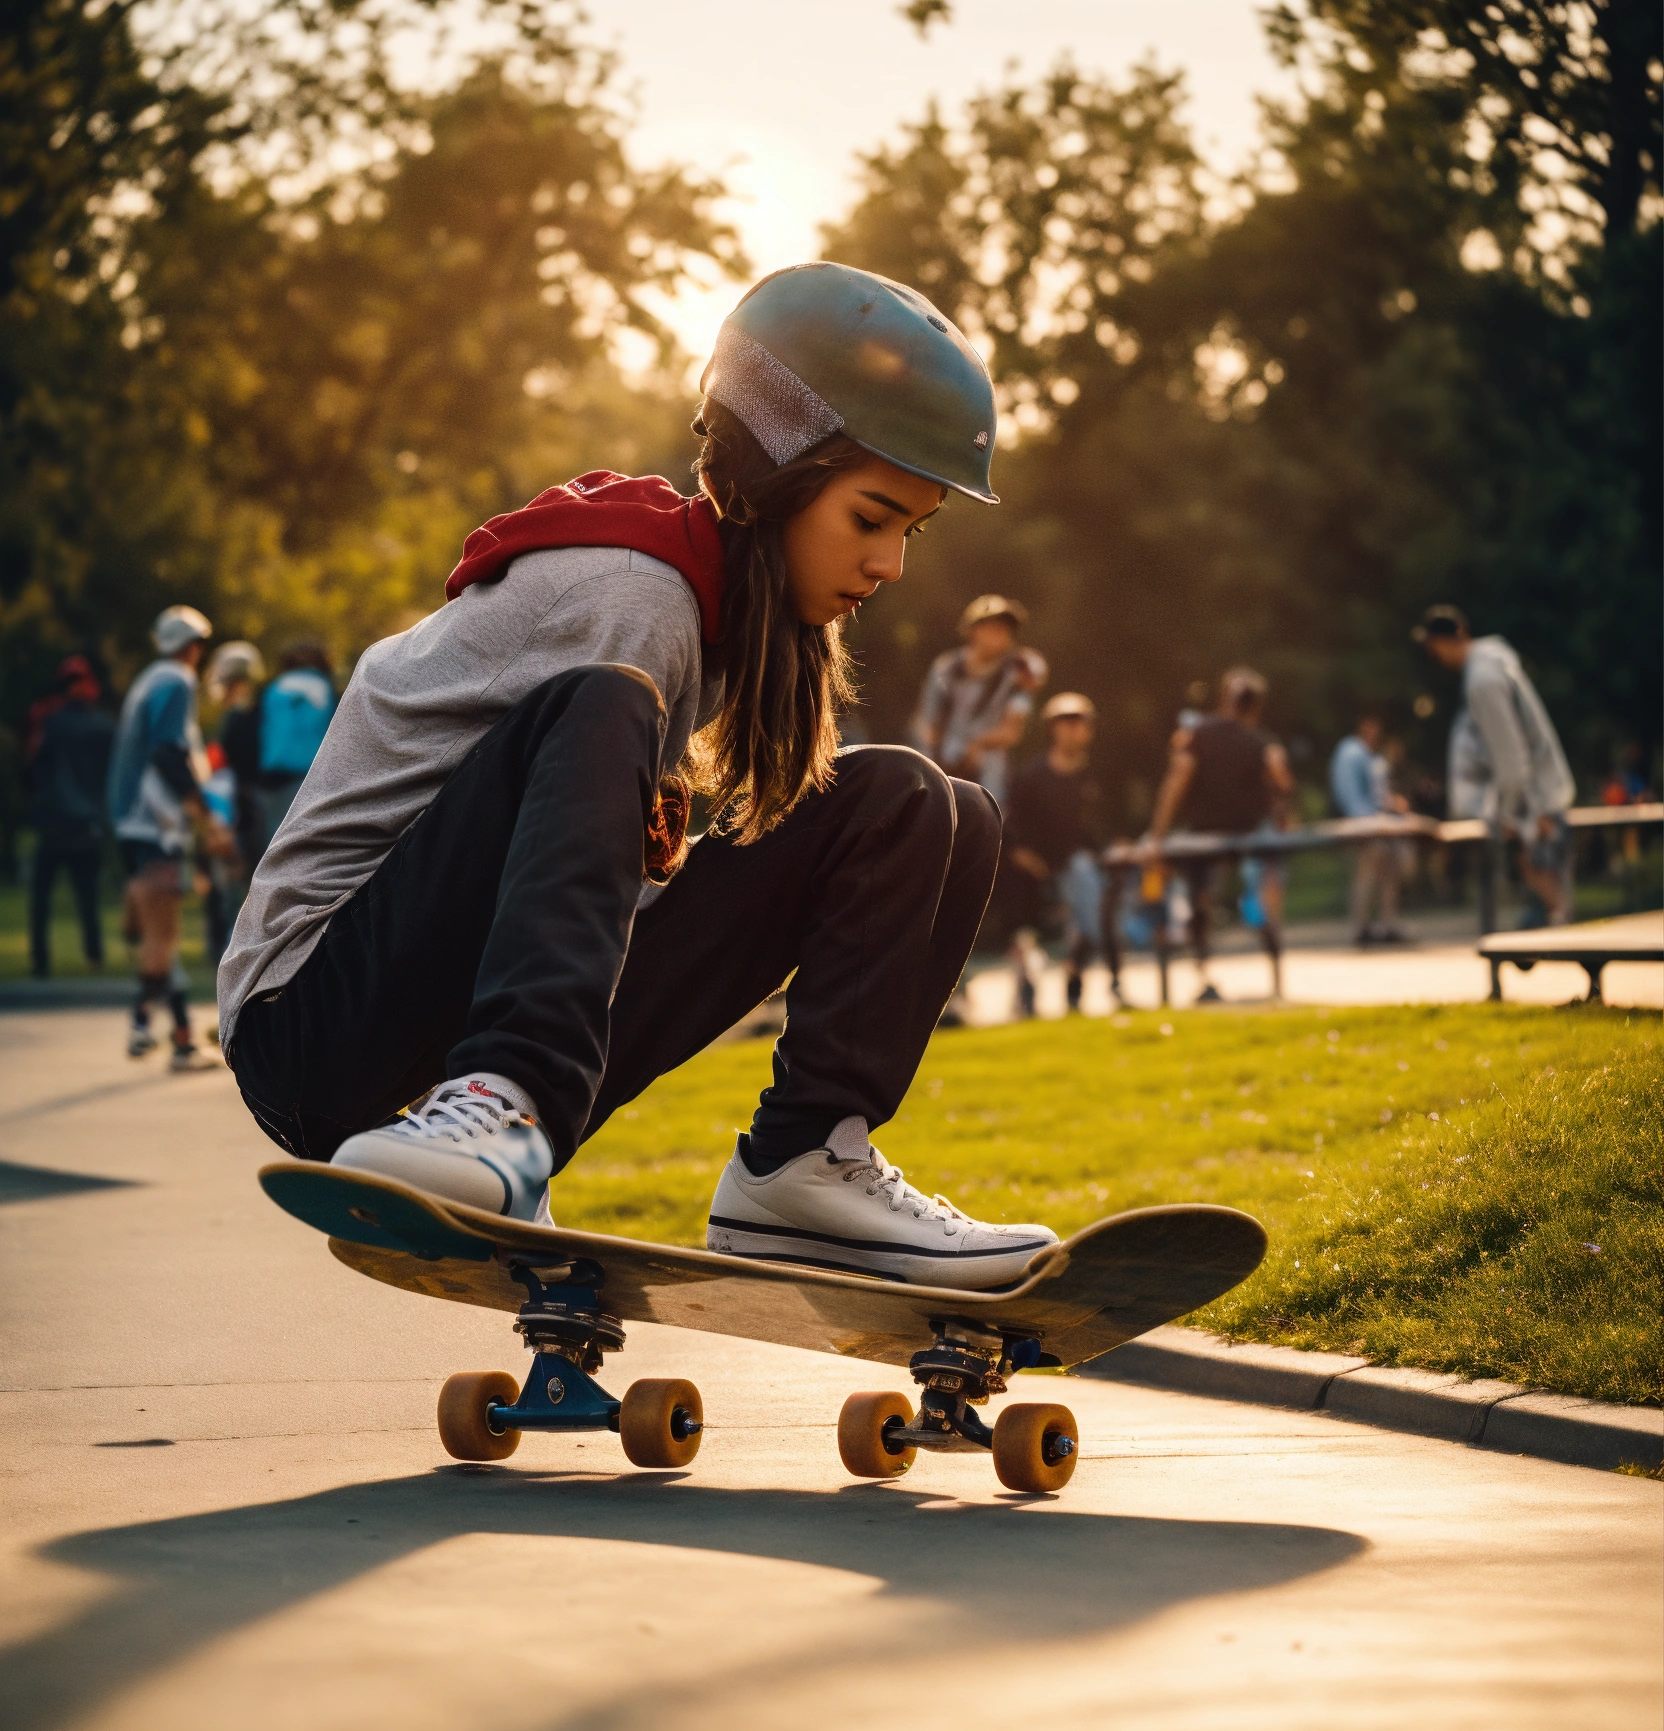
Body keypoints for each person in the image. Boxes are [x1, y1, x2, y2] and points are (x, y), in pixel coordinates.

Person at [217, 262, 1059, 1287]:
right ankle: (506, 1103)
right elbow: (545, 861)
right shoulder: (637, 595)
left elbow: (601, 887)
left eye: (909, 533)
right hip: (317, 1027)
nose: (888, 566)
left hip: (455, 1008)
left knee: (928, 808)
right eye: (870, 518)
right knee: (601, 701)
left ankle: (801, 1164)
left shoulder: (718, 621)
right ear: (779, 475)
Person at [108, 604, 233, 1066]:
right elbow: (167, 751)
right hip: (156, 820)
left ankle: (181, 1037)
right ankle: (141, 1021)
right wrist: (203, 814)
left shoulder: (147, 679)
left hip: (130, 820)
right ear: (193, 647)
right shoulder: (177, 681)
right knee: (162, 933)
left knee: (162, 931)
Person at [1413, 604, 1576, 928]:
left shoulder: (1482, 682)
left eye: (1434, 647)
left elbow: (1511, 758)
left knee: (1550, 908)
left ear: (1445, 641)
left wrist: (1509, 813)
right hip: (1544, 793)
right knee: (1553, 908)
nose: (1435, 656)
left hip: (1534, 804)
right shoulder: (1495, 659)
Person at [1143, 666, 1296, 1002]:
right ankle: (1275, 973)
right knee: (1259, 896)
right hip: (1250, 833)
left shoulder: (1197, 734)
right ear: (1255, 706)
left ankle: (1204, 975)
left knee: (1200, 900)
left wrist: (1159, 834)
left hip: (1204, 837)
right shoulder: (1260, 742)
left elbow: (1177, 781)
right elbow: (1282, 780)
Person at [1002, 692, 1118, 1014]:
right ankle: (1026, 996)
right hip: (1034, 867)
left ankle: (1074, 984)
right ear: (1054, 729)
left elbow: (1100, 826)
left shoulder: (1094, 775)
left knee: (1091, 929)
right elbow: (1010, 826)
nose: (1072, 730)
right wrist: (1024, 858)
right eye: (1065, 724)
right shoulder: (1033, 775)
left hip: (1076, 866)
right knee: (1026, 936)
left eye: (1079, 724)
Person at [910, 594, 1046, 810]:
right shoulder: (946, 669)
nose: (1000, 634)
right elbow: (926, 721)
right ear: (973, 629)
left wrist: (978, 745)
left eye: (1005, 629)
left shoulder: (1017, 675)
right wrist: (935, 762)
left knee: (987, 802)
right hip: (940, 760)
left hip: (986, 768)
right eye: (992, 626)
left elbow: (1012, 730)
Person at [27, 656, 112, 977]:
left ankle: (40, 961)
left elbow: (34, 767)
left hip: (53, 821)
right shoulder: (103, 725)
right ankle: (94, 956)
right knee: (87, 894)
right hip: (87, 821)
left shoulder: (49, 721)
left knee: (42, 895)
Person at [202, 641, 266, 967]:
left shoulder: (235, 719)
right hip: (255, 803)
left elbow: (223, 767)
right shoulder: (261, 712)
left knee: (232, 877)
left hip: (237, 806)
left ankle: (227, 946)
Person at [246, 639, 336, 864]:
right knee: (308, 849)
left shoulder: (274, 688)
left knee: (275, 845)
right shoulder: (324, 688)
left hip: (271, 777)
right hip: (309, 776)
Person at [1329, 708, 1412, 946]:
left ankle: (1387, 925)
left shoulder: (1370, 756)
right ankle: (1362, 927)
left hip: (1378, 823)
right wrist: (1367, 823)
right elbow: (1350, 794)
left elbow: (1376, 794)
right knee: (1366, 873)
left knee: (1386, 871)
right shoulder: (1351, 752)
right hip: (1365, 824)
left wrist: (1391, 806)